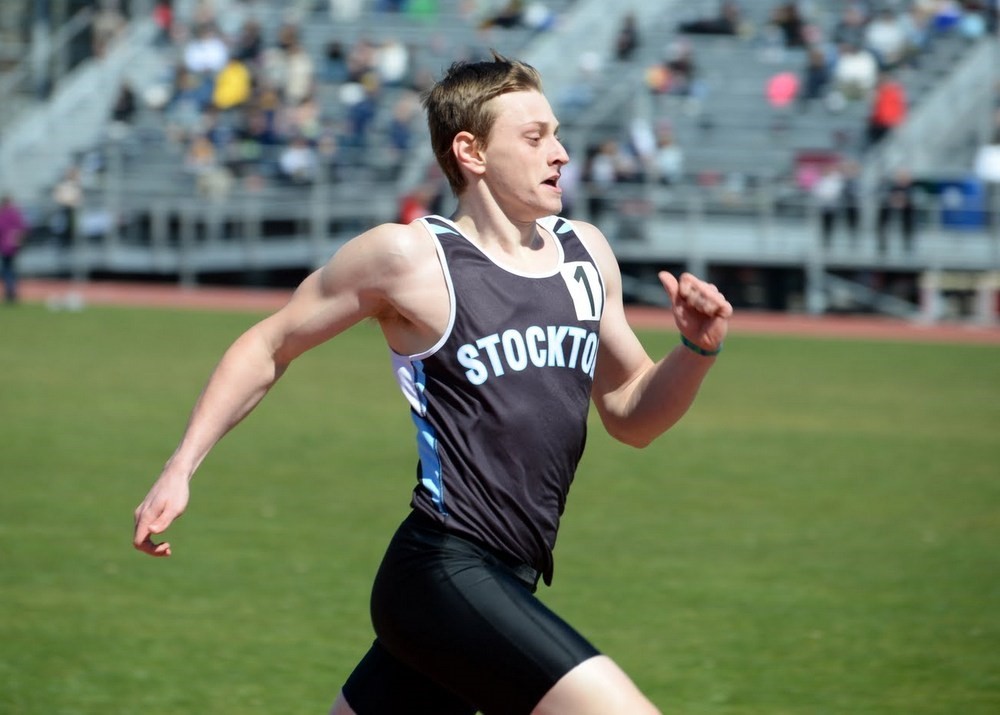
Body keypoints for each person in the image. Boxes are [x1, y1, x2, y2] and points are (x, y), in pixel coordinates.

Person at [132, 52, 732, 715]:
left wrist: (695, 351)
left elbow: (631, 414)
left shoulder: (586, 255)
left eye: (557, 134)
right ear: (471, 152)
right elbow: (270, 343)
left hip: (505, 582)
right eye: (535, 137)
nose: (560, 153)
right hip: (442, 571)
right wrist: (180, 467)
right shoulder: (411, 259)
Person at [0, 195, 27, 303]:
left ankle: (9, 291)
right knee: (11, 269)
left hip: (4, 246)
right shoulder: (15, 214)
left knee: (7, 269)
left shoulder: (3, 214)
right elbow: (23, 228)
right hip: (13, 246)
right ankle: (12, 291)